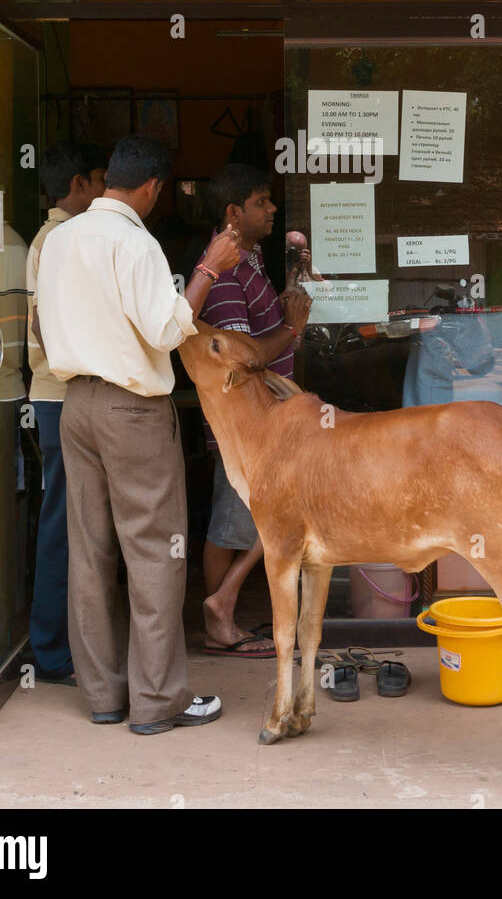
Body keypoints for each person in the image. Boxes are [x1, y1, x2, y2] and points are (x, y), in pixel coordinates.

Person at [35, 135, 240, 734]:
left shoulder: (59, 240)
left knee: (91, 553)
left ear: (108, 180)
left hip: (75, 407)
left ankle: (103, 696)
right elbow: (165, 331)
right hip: (131, 410)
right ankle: (156, 702)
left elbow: (46, 331)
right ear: (152, 187)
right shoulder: (136, 241)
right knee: (156, 553)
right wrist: (207, 269)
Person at [195, 164, 312, 657]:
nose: (271, 209)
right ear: (232, 213)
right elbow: (246, 359)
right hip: (242, 425)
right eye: (262, 201)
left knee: (274, 513)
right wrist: (295, 326)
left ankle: (226, 607)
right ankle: (219, 615)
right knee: (232, 522)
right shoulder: (221, 277)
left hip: (270, 417)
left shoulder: (251, 259)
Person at [25, 141, 107, 685]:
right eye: (99, 180)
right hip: (59, 397)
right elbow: (40, 327)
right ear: (78, 185)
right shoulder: (59, 239)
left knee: (74, 524)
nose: (104, 191)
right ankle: (51, 652)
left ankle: (66, 644)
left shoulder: (55, 236)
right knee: (63, 527)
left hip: (60, 398)